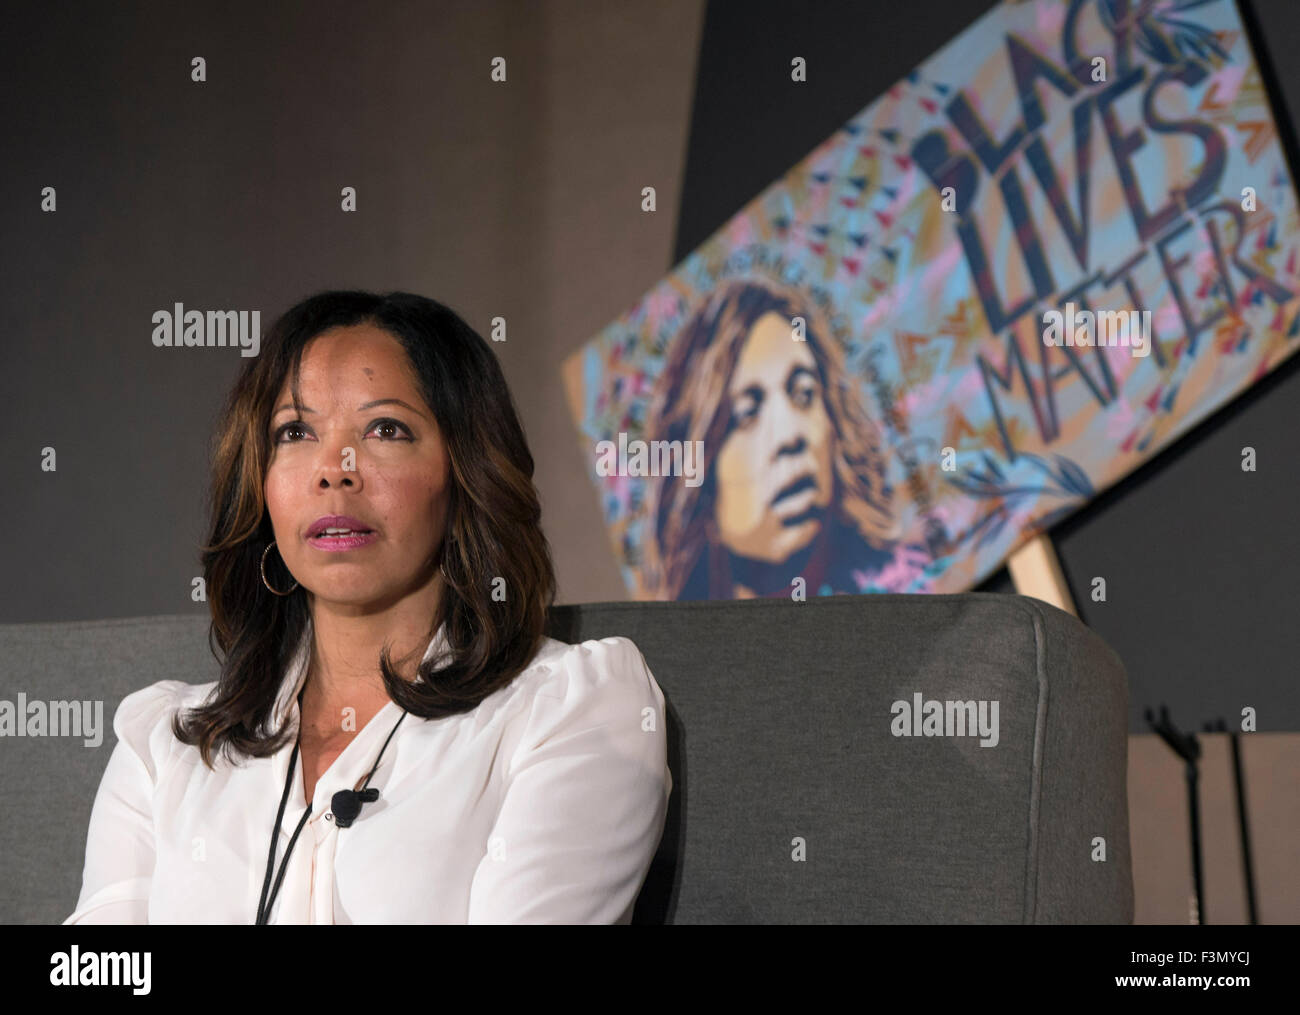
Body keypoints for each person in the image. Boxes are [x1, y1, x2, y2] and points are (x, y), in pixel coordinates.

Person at [65, 290, 671, 924]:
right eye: (295, 432)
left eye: (385, 429)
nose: (336, 469)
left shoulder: (572, 708)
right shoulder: (168, 744)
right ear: (262, 484)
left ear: (462, 473)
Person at [641, 276, 929, 600]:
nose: (790, 435)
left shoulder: (910, 592)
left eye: (804, 394)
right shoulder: (681, 646)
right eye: (747, 415)